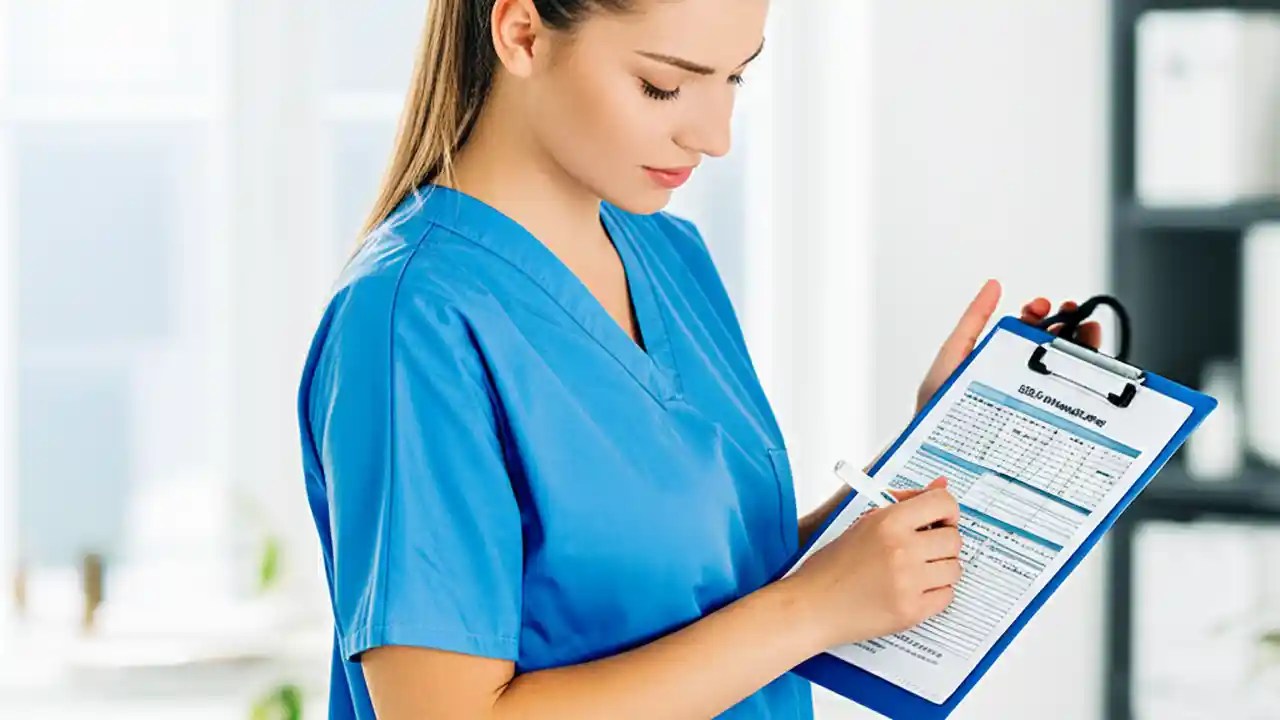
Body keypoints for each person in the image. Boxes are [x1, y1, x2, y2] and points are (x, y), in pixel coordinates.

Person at [294, 1, 1103, 718]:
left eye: (735, 80)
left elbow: (703, 578)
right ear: (522, 33)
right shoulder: (412, 318)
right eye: (664, 86)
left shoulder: (667, 253)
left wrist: (946, 445)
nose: (712, 137)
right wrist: (811, 611)